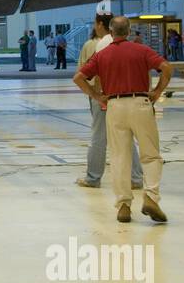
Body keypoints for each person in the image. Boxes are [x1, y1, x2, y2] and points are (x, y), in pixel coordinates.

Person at [74, 15, 172, 223]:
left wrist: (97, 95)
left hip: (114, 106)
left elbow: (79, 78)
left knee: (119, 156)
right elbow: (166, 67)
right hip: (140, 103)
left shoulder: (102, 54)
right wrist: (156, 91)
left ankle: (124, 206)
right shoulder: (142, 50)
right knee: (151, 155)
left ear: (110, 32)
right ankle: (151, 197)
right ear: (128, 31)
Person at [75, 13, 143, 191]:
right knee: (126, 137)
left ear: (101, 25)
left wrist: (97, 95)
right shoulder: (130, 46)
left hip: (105, 97)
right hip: (126, 96)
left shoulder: (98, 44)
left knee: (99, 138)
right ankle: (135, 178)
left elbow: (87, 75)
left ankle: (93, 177)